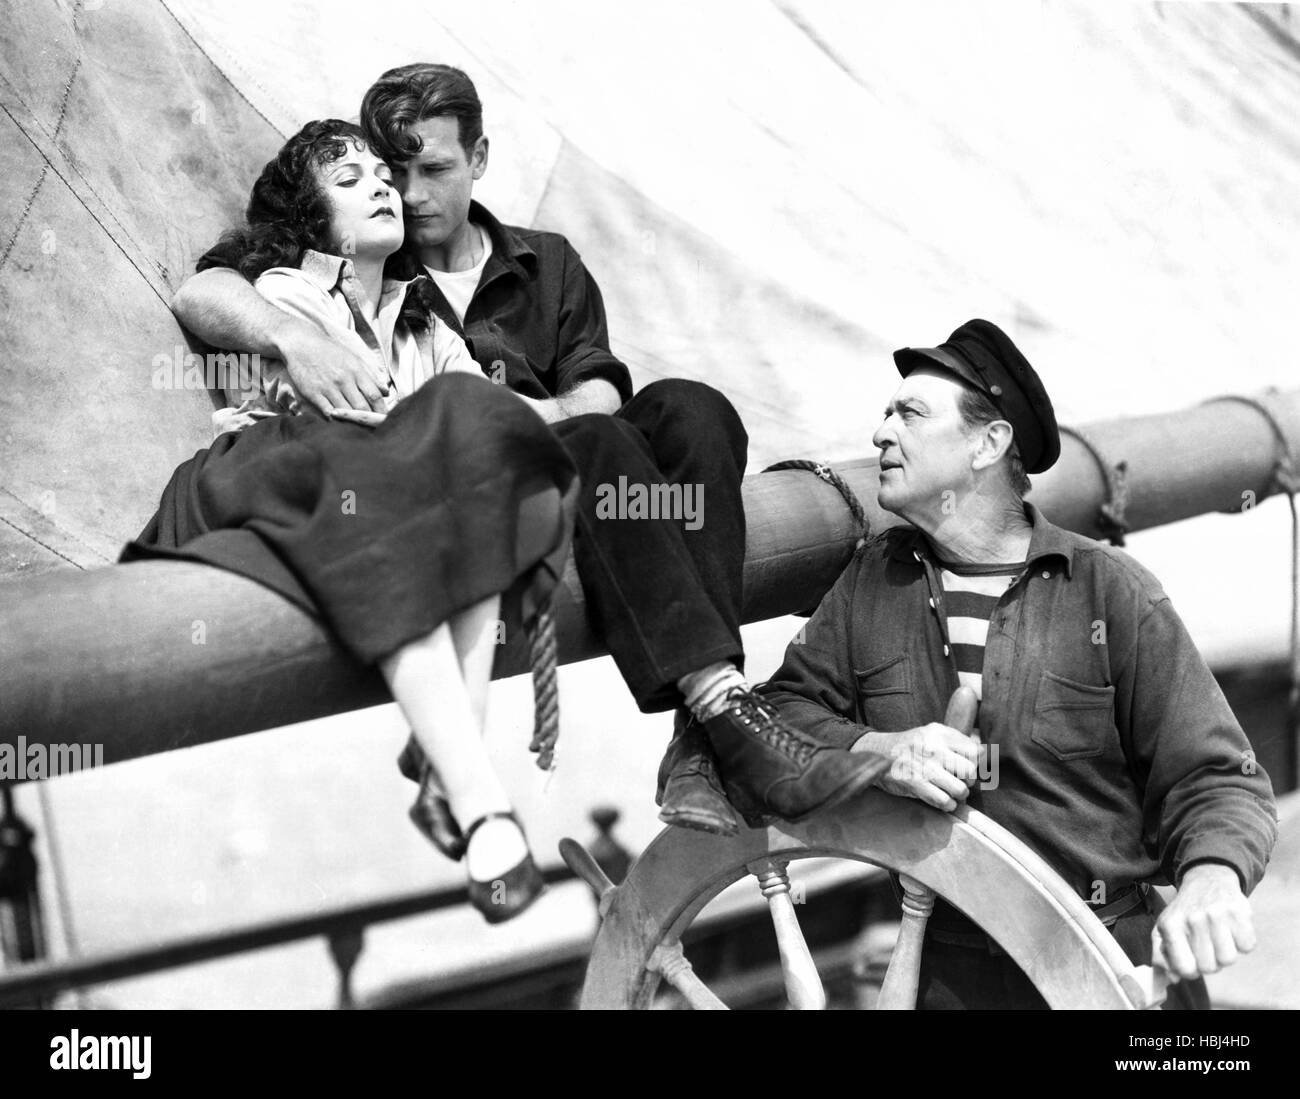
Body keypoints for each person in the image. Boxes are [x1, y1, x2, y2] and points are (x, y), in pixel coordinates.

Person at [169, 64, 883, 831]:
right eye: (391, 172)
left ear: (478, 159)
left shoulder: (547, 260)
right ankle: (728, 719)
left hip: (560, 454)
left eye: (433, 170)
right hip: (506, 472)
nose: (408, 195)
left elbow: (599, 392)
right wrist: (292, 338)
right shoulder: (370, 261)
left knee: (695, 411)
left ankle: (700, 745)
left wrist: (532, 413)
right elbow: (206, 292)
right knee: (601, 439)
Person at [124, 120, 581, 924]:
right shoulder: (285, 291)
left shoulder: (423, 318)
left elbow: (478, 420)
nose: (378, 185)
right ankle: (476, 801)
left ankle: (452, 769)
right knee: (399, 470)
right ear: (310, 216)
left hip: (374, 489)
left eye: (381, 171)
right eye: (347, 177)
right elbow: (354, 419)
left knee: (480, 452)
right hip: (269, 474)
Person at [758, 318, 1279, 1008]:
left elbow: (1216, 778)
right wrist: (878, 750)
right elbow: (775, 719)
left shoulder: (1110, 589)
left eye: (909, 413)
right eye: (886, 414)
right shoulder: (868, 586)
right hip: (945, 974)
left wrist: (1211, 878)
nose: (881, 433)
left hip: (1108, 963)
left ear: (988, 442)